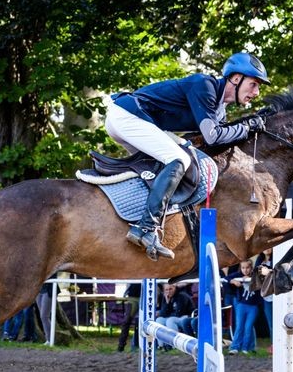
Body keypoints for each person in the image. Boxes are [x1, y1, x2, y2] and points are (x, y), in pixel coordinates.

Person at [106, 52, 269, 261]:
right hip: (128, 115)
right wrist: (246, 127)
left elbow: (216, 138)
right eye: (253, 84)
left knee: (176, 160)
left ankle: (134, 218)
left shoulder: (219, 110)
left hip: (136, 120)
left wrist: (248, 125)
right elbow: (212, 136)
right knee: (179, 160)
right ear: (236, 78)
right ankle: (146, 228)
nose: (256, 92)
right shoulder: (205, 85)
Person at [226, 259, 261, 354]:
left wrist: (250, 278)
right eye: (243, 268)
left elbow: (262, 278)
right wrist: (233, 281)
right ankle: (235, 347)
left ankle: (246, 348)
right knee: (239, 326)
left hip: (253, 307)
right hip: (241, 305)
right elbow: (227, 278)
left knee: (248, 327)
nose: (245, 270)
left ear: (251, 268)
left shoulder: (256, 275)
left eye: (247, 268)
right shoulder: (238, 275)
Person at [155, 283, 194, 348]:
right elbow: (162, 314)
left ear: (175, 288)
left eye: (170, 289)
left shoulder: (182, 295)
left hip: (186, 317)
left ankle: (174, 344)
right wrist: (167, 303)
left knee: (170, 320)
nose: (168, 291)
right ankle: (162, 345)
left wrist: (168, 315)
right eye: (166, 290)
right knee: (159, 320)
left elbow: (179, 313)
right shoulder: (166, 297)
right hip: (173, 317)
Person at [116, 282, 141, 352]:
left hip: (146, 295)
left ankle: (138, 345)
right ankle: (121, 346)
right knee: (126, 321)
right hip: (133, 297)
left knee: (142, 322)